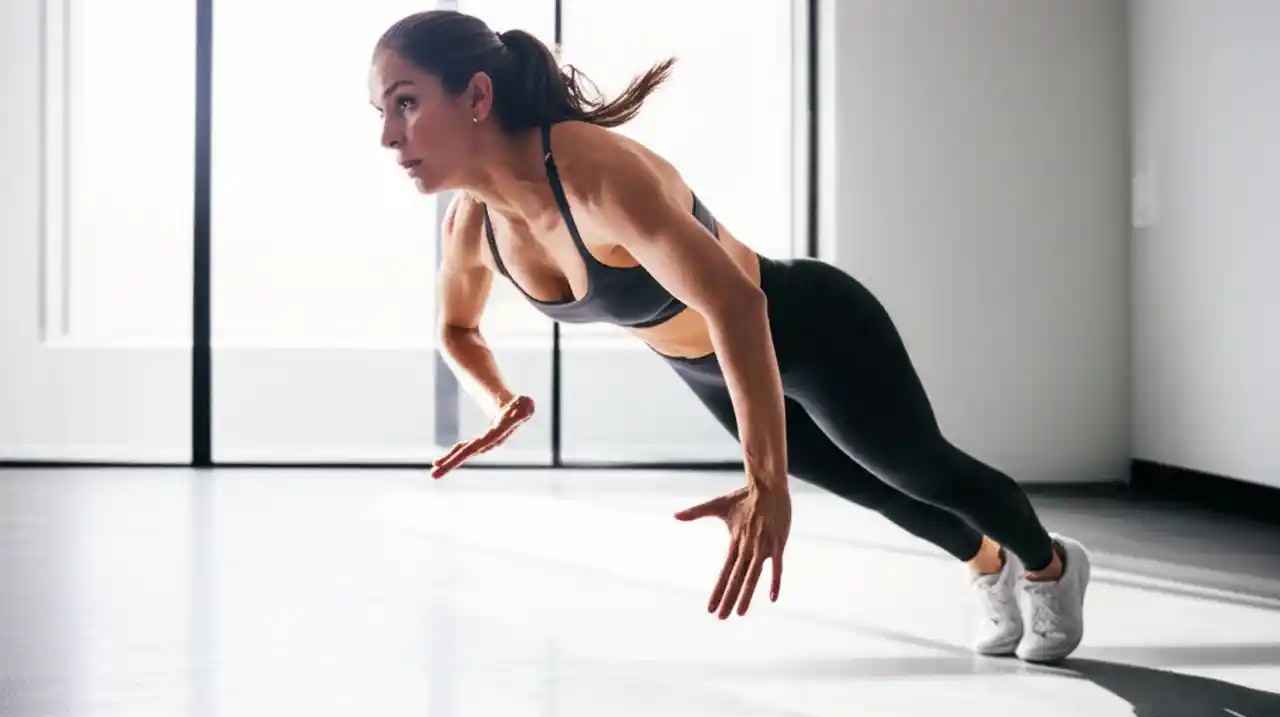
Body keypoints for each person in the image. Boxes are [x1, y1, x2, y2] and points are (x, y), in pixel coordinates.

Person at [368, 9, 1091, 663]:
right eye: (381, 111)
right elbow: (457, 327)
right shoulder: (474, 225)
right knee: (876, 492)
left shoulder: (590, 172)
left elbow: (737, 304)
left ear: (477, 97)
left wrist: (764, 483)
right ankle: (987, 566)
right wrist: (499, 399)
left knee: (920, 471)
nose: (389, 135)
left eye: (406, 102)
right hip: (709, 367)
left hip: (807, 325)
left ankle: (1049, 566)